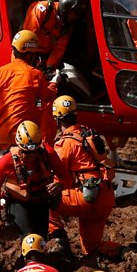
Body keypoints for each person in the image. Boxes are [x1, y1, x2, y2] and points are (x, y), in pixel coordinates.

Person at [50, 95, 120, 256]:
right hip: (105, 197)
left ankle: (58, 240)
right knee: (91, 247)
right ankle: (125, 252)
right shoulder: (89, 134)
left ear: (57, 119)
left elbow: (58, 176)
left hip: (86, 198)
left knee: (43, 198)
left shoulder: (65, 143)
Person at [0, 121, 69, 236]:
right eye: (26, 153)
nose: (31, 156)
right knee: (29, 237)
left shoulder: (48, 153)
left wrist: (60, 185)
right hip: (19, 202)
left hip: (41, 201)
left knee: (41, 238)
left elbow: (66, 177)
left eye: (35, 152)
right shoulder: (6, 162)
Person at [0, 30, 56, 150]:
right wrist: (54, 83)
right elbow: (48, 97)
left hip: (0, 136)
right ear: (30, 55)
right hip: (23, 137)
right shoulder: (35, 75)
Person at [22, 0, 92, 96]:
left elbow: (60, 47)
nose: (74, 17)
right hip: (24, 53)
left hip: (43, 57)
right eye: (74, 14)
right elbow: (26, 38)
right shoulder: (42, 10)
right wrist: (28, 65)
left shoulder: (66, 26)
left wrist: (49, 67)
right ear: (66, 7)